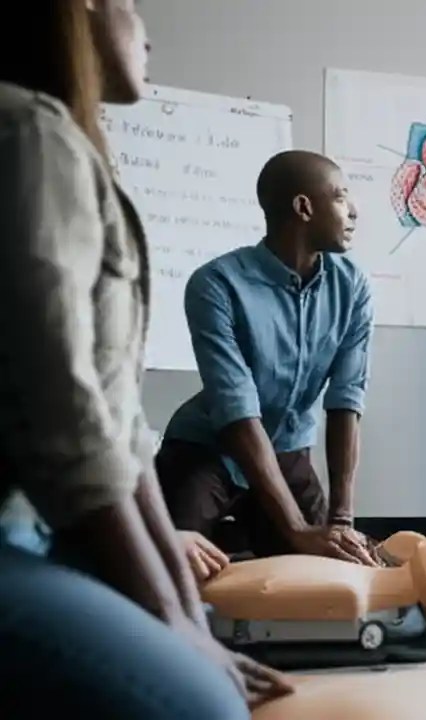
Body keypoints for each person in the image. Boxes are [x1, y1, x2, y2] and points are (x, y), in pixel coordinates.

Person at [0, 1, 291, 716]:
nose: (146, 33)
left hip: (41, 524)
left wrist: (187, 619)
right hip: (21, 527)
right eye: (130, 5)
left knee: (199, 648)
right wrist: (168, 619)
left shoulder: (65, 146)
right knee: (203, 704)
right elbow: (68, 418)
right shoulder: (29, 134)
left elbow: (121, 429)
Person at [156, 149, 379, 575]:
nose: (353, 210)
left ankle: (250, 533)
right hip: (207, 449)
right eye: (340, 196)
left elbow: (346, 398)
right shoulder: (216, 283)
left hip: (288, 451)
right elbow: (236, 407)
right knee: (175, 570)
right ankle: (237, 535)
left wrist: (341, 521)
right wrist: (295, 527)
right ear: (304, 208)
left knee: (336, 567)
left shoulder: (353, 285)